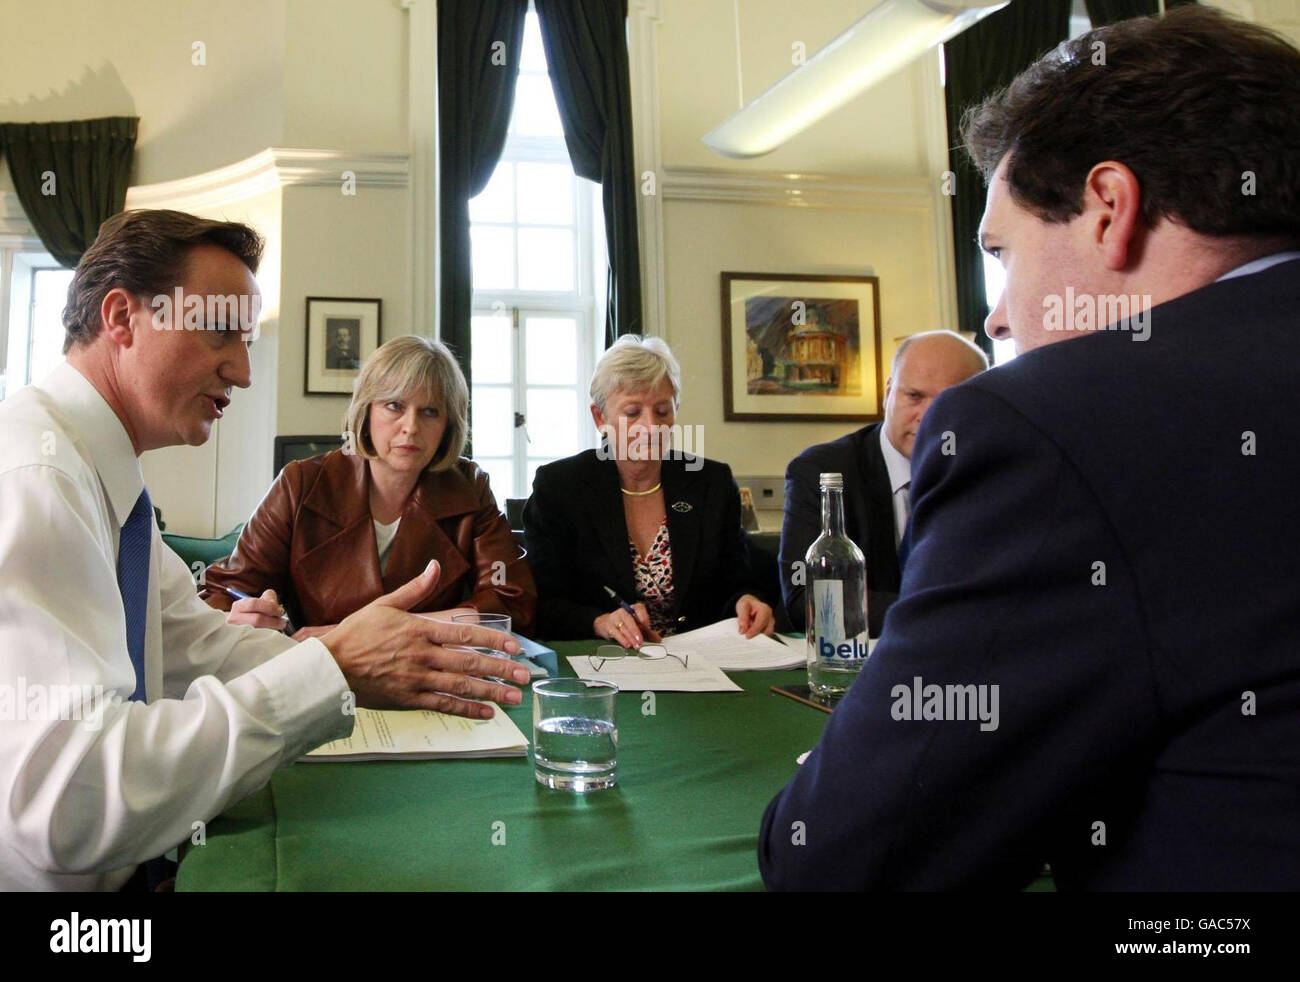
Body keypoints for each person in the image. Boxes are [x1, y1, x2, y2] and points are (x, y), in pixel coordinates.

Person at [760, 6, 1300, 890]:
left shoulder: (1059, 425)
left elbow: (842, 862)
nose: (998, 314)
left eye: (1002, 253)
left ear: (1108, 210)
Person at [0, 210, 530, 891]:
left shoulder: (107, 480)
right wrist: (334, 662)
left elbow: (201, 650)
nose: (245, 372)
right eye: (221, 331)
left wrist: (355, 665)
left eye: (247, 342)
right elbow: (68, 806)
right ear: (123, 318)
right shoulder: (39, 478)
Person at [203, 335, 536, 638]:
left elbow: (510, 601)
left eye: (431, 412)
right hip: (319, 671)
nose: (411, 427)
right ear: (366, 410)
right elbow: (225, 593)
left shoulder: (469, 486)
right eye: (395, 406)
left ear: (449, 424)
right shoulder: (300, 483)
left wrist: (374, 630)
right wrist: (247, 616)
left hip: (426, 668)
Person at [524, 335, 774, 646]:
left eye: (662, 411)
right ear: (600, 417)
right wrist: (600, 622)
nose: (651, 426)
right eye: (632, 413)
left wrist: (746, 601)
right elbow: (543, 602)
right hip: (605, 663)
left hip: (703, 662)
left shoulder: (712, 483)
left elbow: (737, 580)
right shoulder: (561, 486)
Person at [779, 331, 987, 635]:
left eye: (947, 402)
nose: (927, 417)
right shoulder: (823, 472)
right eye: (914, 396)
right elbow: (807, 599)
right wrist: (945, 614)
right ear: (888, 392)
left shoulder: (991, 474)